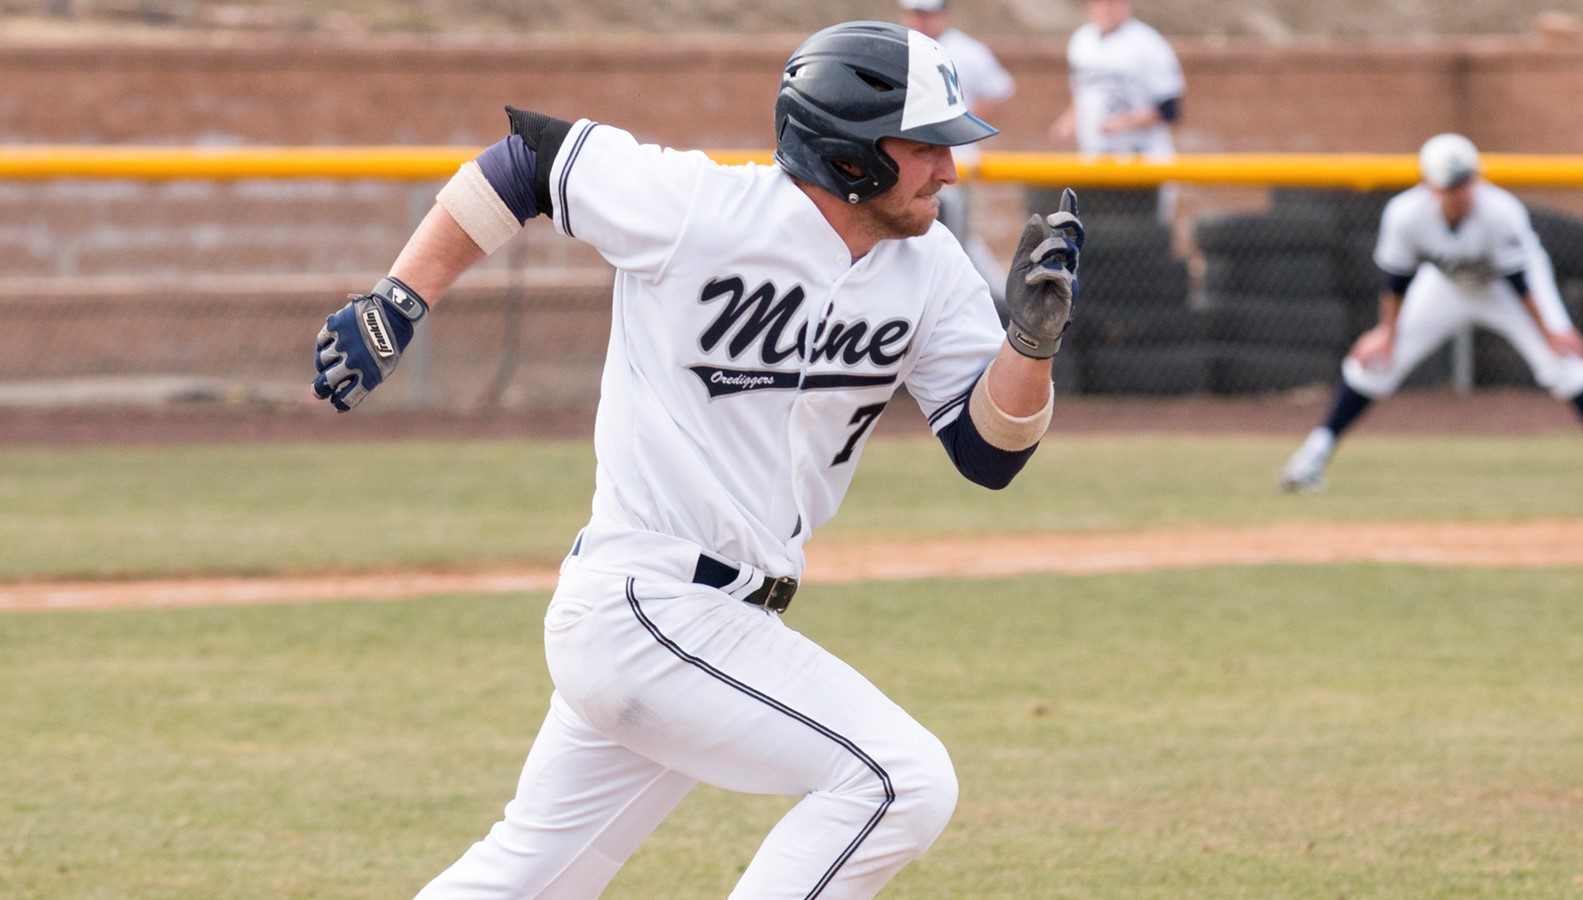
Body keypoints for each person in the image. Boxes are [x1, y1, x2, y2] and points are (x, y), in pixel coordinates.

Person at [311, 21, 1085, 898]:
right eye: (926, 147)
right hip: (648, 601)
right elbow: (523, 163)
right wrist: (398, 298)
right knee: (899, 782)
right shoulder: (701, 207)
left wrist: (1028, 345)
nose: (949, 169)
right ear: (851, 153)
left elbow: (989, 453)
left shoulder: (931, 268)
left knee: (530, 879)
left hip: (711, 626)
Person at [1280, 133, 1583, 492]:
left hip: (1509, 291)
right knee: (1374, 361)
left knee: (1570, 366)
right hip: (1446, 287)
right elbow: (1396, 281)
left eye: (1464, 182)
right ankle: (1312, 458)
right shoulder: (1405, 214)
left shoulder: (1501, 211)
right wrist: (1387, 332)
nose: (1459, 192)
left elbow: (1519, 281)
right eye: (1449, 185)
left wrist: (1552, 332)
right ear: (1429, 186)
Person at [897, 0, 1016, 302]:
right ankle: (994, 293)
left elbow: (1001, 87)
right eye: (915, 13)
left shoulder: (964, 49)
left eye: (926, 13)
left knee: (954, 234)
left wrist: (962, 122)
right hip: (914, 163)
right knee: (942, 235)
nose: (920, 19)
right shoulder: (900, 46)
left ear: (942, 14)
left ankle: (991, 297)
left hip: (956, 163)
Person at [1047, 0, 1185, 161]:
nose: (1106, 9)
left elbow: (1170, 109)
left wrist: (1123, 122)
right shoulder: (1081, 41)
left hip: (1141, 157)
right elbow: (1087, 96)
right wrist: (1069, 121)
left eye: (1112, 3)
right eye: (1099, 3)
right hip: (1095, 157)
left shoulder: (1148, 43)